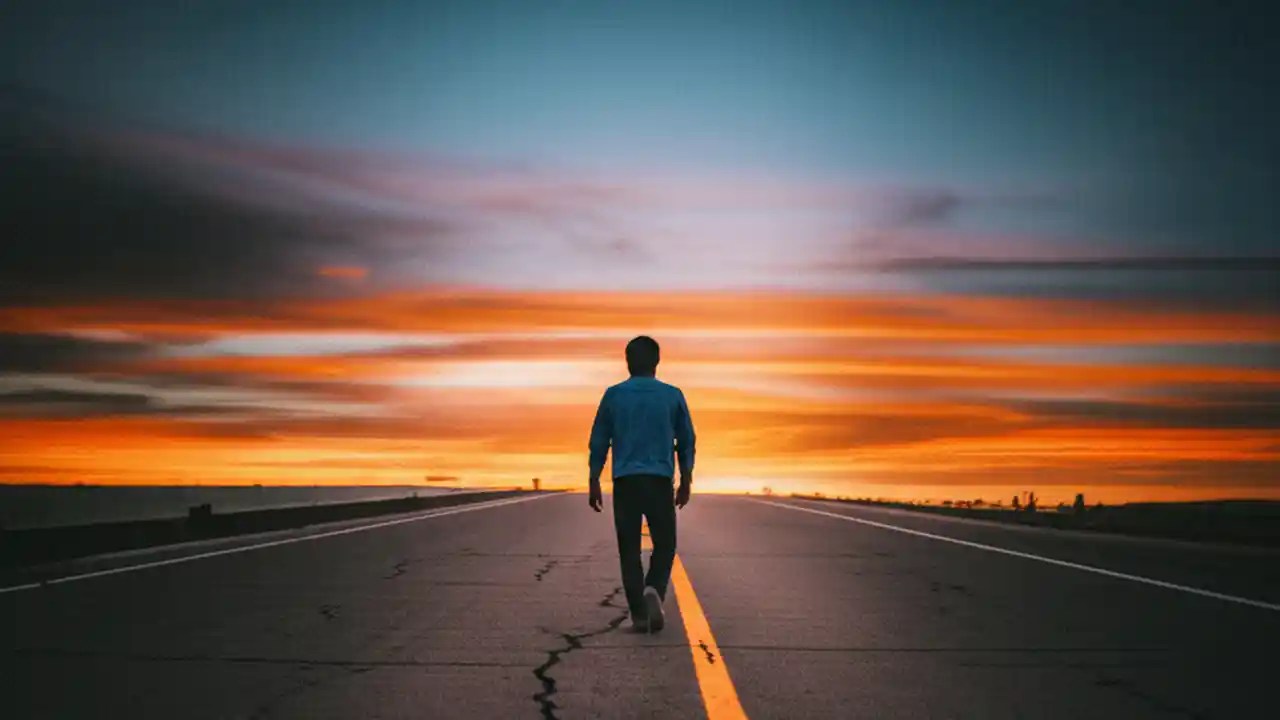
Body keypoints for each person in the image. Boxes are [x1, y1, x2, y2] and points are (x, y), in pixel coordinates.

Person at [588, 335, 695, 633]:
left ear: (628, 361)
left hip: (625, 482)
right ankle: (654, 590)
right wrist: (686, 478)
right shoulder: (672, 395)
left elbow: (599, 439)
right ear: (657, 362)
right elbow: (686, 441)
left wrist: (594, 478)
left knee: (629, 549)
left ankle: (638, 614)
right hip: (659, 480)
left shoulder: (614, 395)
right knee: (665, 544)